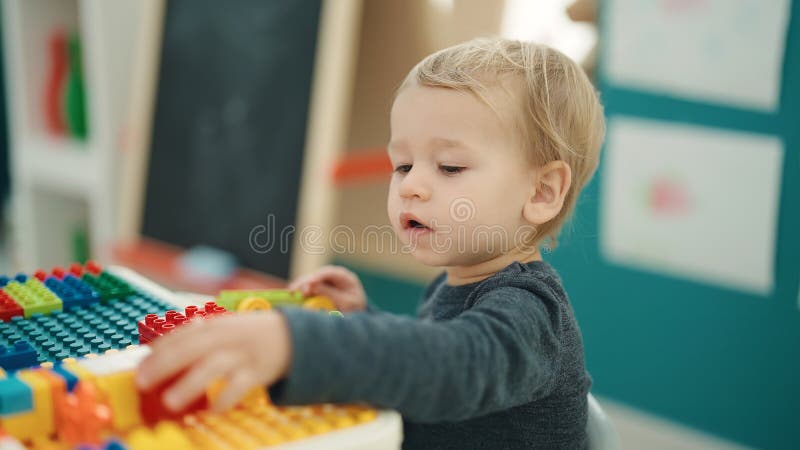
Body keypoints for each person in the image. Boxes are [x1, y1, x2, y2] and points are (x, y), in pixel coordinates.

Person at [137, 37, 605, 449]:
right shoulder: (456, 283)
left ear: (541, 193)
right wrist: (365, 317)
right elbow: (425, 357)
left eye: (449, 167)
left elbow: (453, 366)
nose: (410, 187)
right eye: (402, 165)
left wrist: (297, 345)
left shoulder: (533, 313)